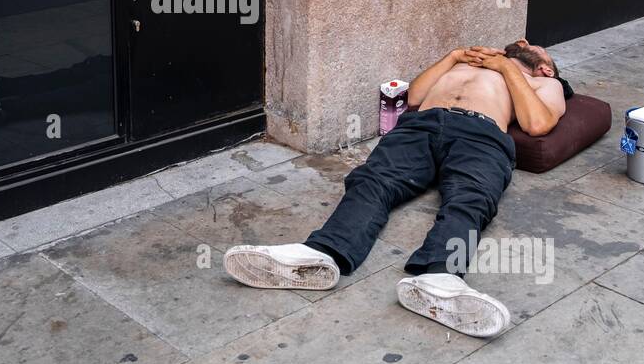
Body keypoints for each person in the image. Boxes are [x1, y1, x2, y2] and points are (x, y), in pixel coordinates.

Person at [224, 40, 566, 338]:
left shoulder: (542, 83)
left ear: (546, 68)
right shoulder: (468, 61)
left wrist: (507, 67)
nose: (525, 41)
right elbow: (413, 96)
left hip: (482, 135)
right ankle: (322, 254)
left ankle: (439, 278)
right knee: (372, 182)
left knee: (470, 199)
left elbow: (537, 124)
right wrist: (453, 56)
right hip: (421, 126)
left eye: (535, 46)